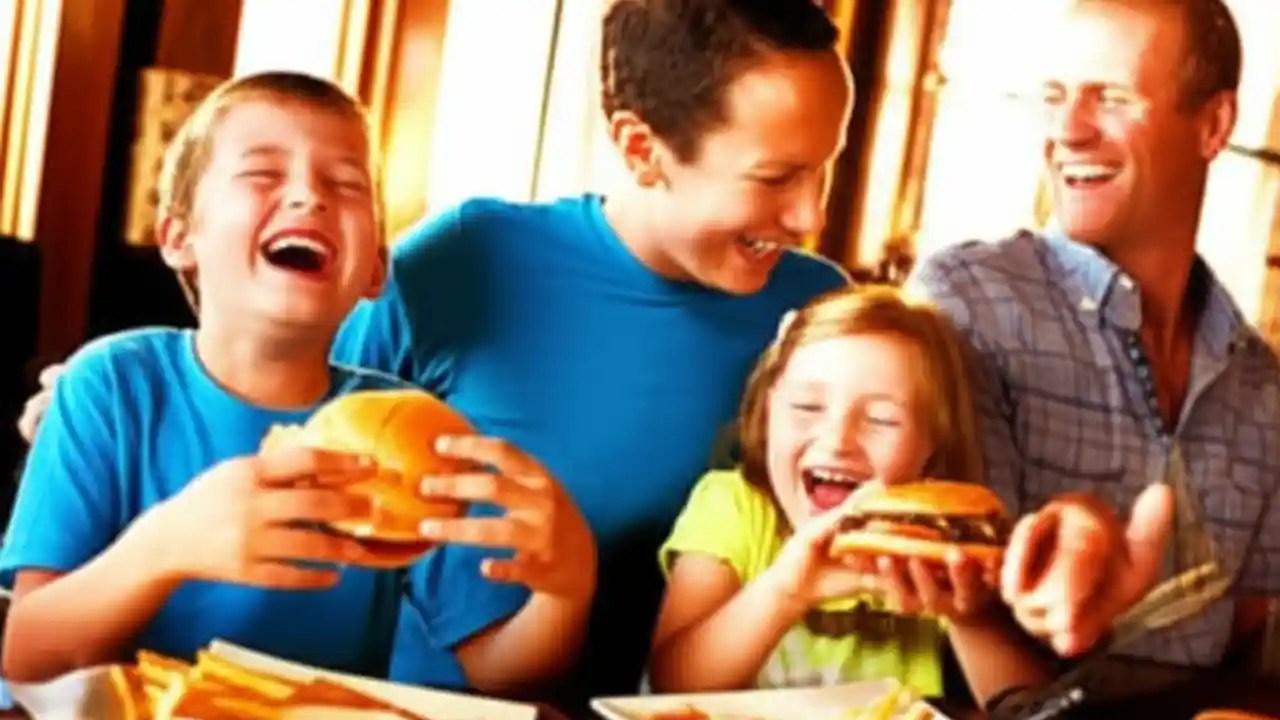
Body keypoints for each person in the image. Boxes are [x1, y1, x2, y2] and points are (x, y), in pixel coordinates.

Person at [0, 72, 595, 694]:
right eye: (262, 174)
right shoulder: (110, 386)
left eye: (346, 184)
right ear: (179, 238)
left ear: (375, 270)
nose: (310, 197)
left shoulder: (415, 431)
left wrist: (566, 590)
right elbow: (27, 656)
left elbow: (503, 678)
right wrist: (165, 545)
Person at [332, 0, 855, 699]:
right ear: (641, 148)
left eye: (824, 169)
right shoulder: (463, 262)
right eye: (775, 178)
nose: (810, 216)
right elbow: (321, 479)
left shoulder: (819, 316)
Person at [909, 0, 1280, 672]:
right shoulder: (969, 301)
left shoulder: (1265, 387)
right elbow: (960, 597)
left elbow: (1249, 638)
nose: (1066, 129)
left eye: (1110, 96)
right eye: (1053, 96)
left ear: (1215, 123)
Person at [648, 286, 1051, 704]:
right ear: (769, 412)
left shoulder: (937, 546)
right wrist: (786, 591)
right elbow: (672, 687)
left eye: (881, 419)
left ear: (932, 446)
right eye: (806, 407)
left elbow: (1029, 707)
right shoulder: (731, 506)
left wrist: (969, 614)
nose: (838, 440)